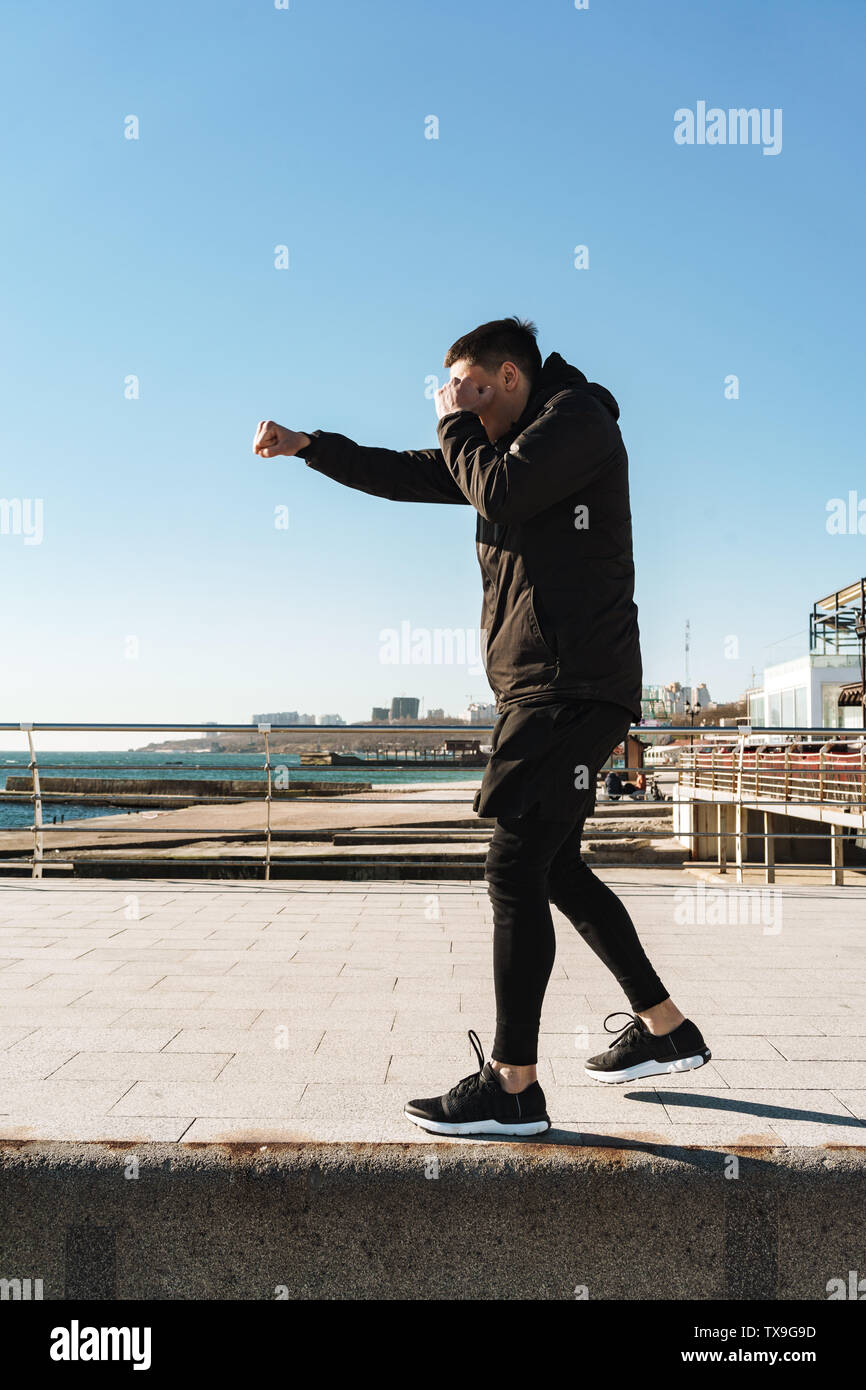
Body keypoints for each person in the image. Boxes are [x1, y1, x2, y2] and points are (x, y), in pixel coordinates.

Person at [253, 317, 710, 1137]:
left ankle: (513, 1086)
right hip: (553, 685)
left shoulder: (576, 421)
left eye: (467, 389)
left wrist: (454, 421)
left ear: (508, 376)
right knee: (555, 867)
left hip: (568, 683)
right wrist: (309, 445)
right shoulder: (506, 448)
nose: (455, 406)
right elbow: (410, 474)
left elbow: (496, 489)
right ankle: (667, 1029)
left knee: (511, 864)